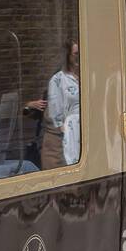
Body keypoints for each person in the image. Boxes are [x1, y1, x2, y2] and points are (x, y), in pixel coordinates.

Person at [41, 40, 81, 169]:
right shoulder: (57, 80)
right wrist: (64, 129)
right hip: (64, 140)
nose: (78, 58)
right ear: (67, 56)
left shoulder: (83, 76)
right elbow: (55, 115)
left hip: (81, 137)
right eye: (75, 54)